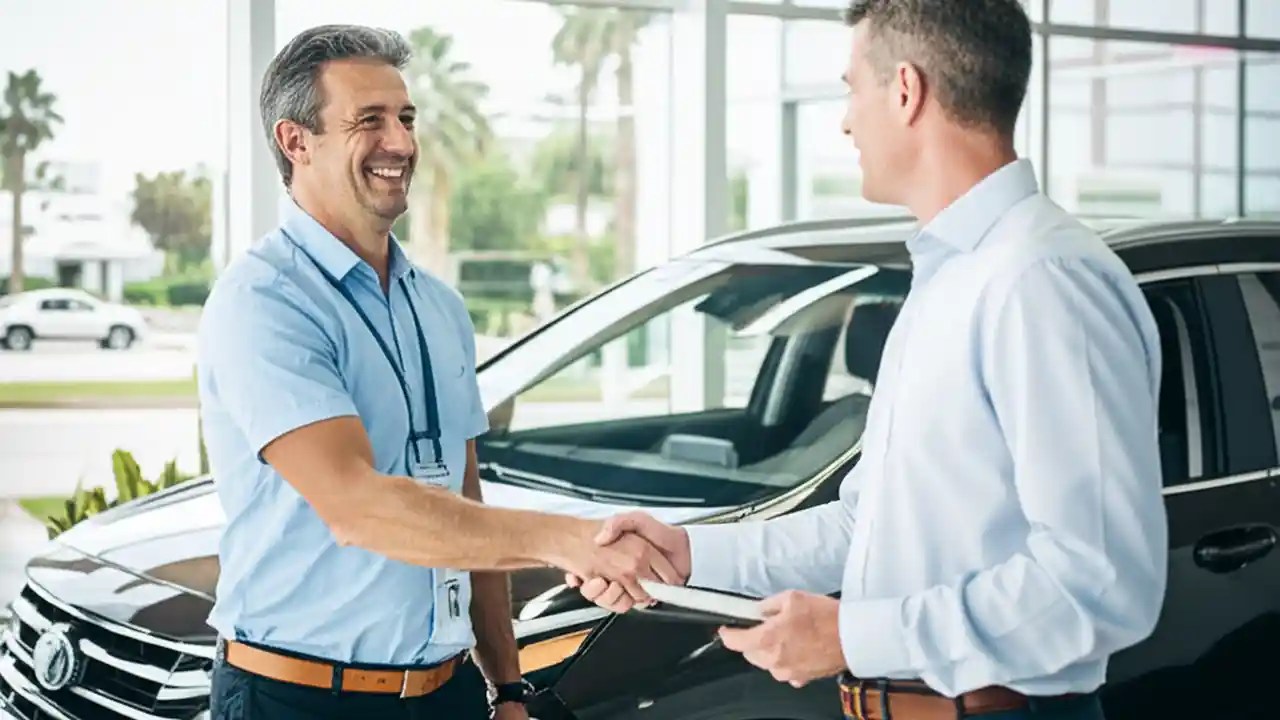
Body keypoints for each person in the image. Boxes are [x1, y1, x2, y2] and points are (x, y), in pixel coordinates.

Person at [570, 1, 1167, 719]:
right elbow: (865, 527)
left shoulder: (1039, 280)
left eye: (852, 87)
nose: (847, 120)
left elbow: (1098, 584)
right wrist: (689, 552)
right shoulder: (952, 277)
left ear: (906, 90)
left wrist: (852, 634)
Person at [197, 24, 678, 720]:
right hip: (299, 700)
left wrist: (507, 687)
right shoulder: (264, 302)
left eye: (406, 117)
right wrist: (567, 539)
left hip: (446, 693)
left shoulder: (439, 306)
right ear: (296, 142)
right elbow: (358, 507)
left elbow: (465, 501)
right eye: (369, 120)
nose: (401, 143)